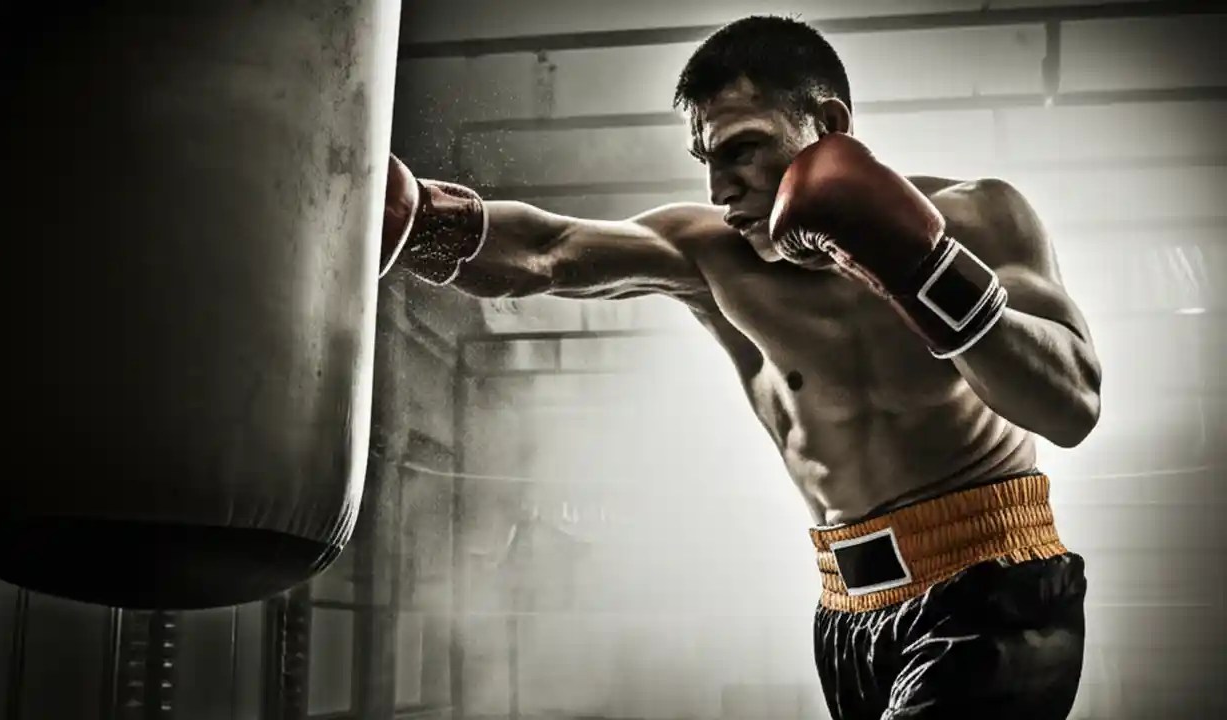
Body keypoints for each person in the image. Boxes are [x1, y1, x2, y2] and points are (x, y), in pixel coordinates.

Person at [381, 15, 1100, 720]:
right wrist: (412, 220)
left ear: (829, 123)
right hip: (847, 616)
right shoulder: (710, 255)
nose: (720, 191)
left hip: (995, 594)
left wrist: (921, 266)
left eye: (742, 150)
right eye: (707, 163)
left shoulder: (982, 217)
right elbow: (550, 250)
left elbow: (1071, 404)